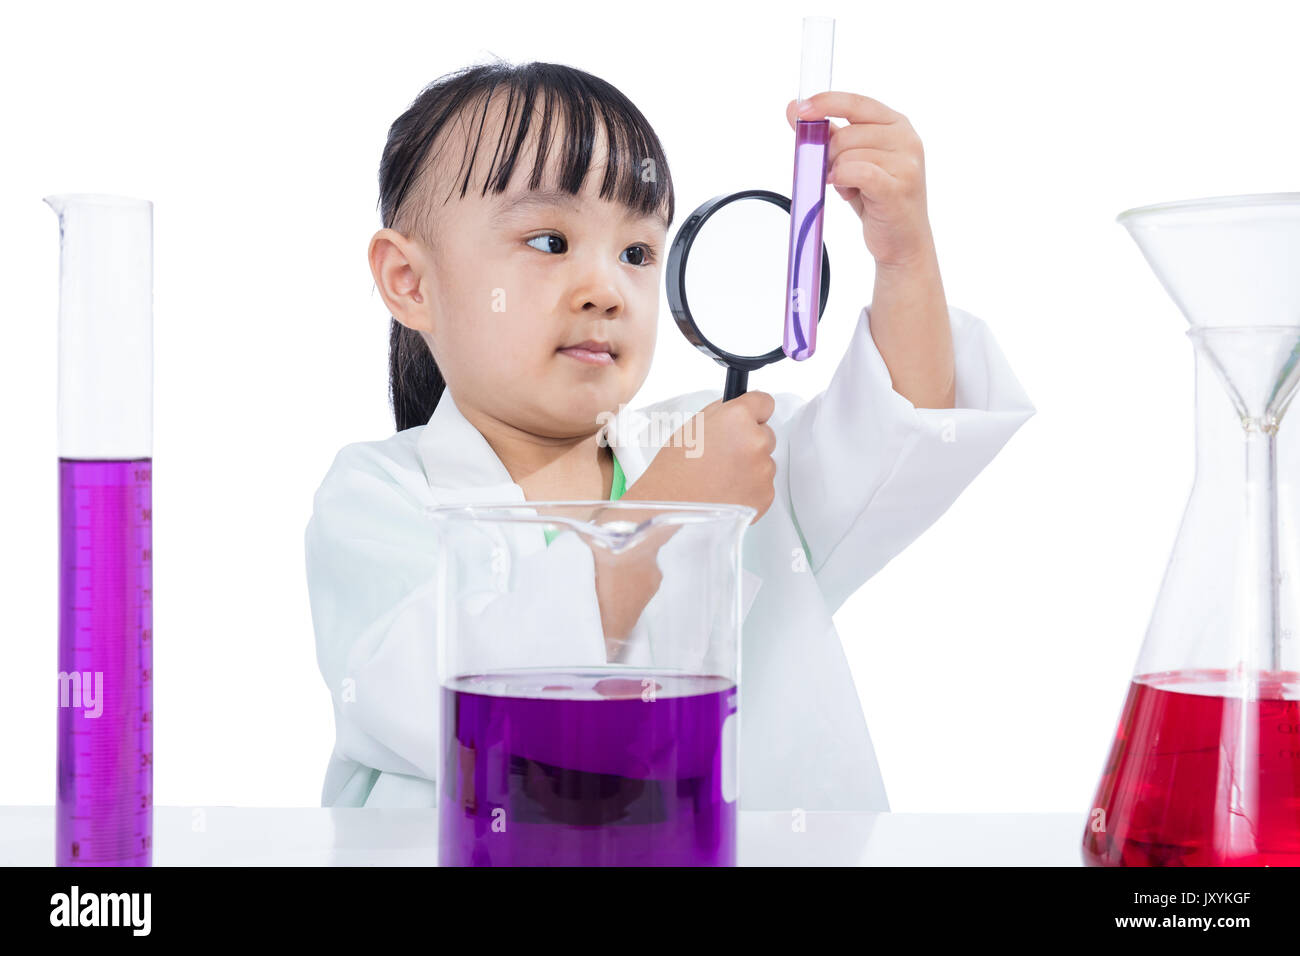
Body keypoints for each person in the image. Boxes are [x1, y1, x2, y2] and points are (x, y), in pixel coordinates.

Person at [304, 59, 1035, 810]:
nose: (606, 290)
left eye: (637, 254)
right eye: (550, 242)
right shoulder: (379, 498)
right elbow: (435, 701)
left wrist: (904, 254)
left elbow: (900, 432)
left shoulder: (724, 446)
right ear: (410, 282)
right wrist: (658, 523)